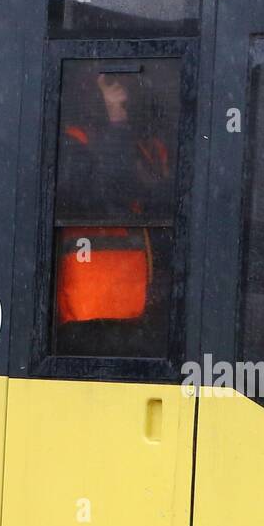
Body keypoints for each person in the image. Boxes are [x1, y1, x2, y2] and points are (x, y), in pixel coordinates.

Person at [54, 69, 172, 355]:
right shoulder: (72, 142)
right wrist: (116, 122)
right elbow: (106, 192)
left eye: (127, 82)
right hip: (90, 307)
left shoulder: (147, 147)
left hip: (139, 303)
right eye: (110, 83)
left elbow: (163, 199)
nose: (122, 91)